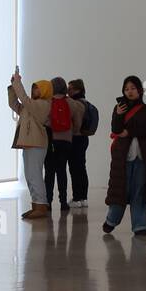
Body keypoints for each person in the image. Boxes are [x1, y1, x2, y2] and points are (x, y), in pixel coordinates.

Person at [103, 75, 146, 237]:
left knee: (139, 191)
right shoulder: (119, 108)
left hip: (143, 158)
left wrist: (130, 131)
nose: (130, 92)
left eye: (133, 88)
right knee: (120, 189)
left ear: (140, 90)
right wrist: (119, 115)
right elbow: (116, 129)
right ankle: (111, 220)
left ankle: (140, 225)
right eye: (126, 89)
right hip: (123, 157)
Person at [8, 71, 52, 220]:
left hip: (36, 144)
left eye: (38, 88)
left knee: (35, 175)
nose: (35, 91)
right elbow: (14, 105)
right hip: (30, 144)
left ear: (45, 90)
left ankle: (41, 205)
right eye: (33, 88)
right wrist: (12, 87)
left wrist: (17, 84)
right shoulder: (31, 105)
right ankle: (36, 205)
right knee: (30, 175)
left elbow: (24, 100)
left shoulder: (43, 104)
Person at [43, 77, 85, 213]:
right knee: (62, 171)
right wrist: (73, 131)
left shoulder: (47, 102)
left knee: (49, 172)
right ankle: (63, 202)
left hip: (51, 140)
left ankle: (48, 202)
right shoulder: (73, 103)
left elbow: (44, 121)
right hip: (66, 140)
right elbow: (78, 123)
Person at [67, 79, 97, 208]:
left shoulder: (75, 104)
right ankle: (83, 198)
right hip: (84, 138)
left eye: (71, 88)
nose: (68, 90)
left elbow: (75, 123)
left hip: (75, 138)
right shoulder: (86, 103)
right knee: (81, 168)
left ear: (78, 89)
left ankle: (77, 198)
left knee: (74, 168)